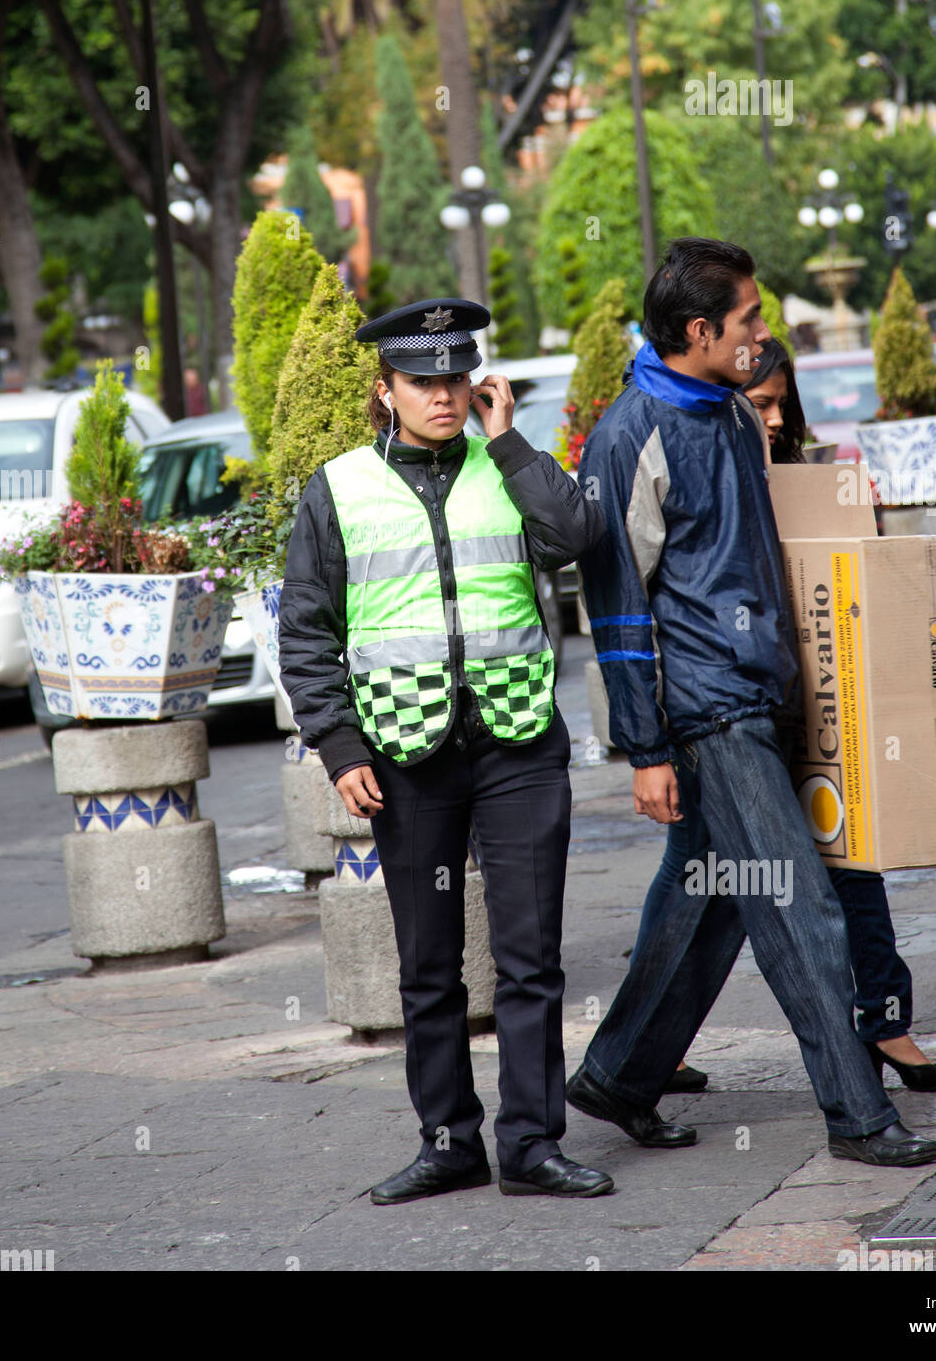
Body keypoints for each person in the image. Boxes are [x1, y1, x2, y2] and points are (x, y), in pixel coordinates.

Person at [565, 238, 936, 1167]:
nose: (764, 335)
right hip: (705, 716)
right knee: (800, 908)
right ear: (700, 331)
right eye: (750, 321)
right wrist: (646, 749)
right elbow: (614, 606)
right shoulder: (627, 435)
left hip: (760, 696)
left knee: (715, 899)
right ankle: (858, 1115)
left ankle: (617, 1075)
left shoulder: (734, 413)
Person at [278, 297, 635, 1202]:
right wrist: (337, 743)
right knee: (428, 966)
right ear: (385, 391)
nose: (442, 396)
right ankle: (448, 1142)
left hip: (517, 740)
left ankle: (531, 1145)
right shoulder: (339, 488)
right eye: (422, 382)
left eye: (455, 379)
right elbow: (308, 633)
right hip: (404, 753)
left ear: (478, 384)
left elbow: (580, 535)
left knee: (531, 955)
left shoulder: (505, 469)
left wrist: (511, 442)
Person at [634, 338, 936, 1095]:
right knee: (700, 876)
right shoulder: (695, 475)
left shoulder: (815, 481)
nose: (776, 419)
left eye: (784, 402)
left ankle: (885, 1023)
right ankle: (652, 1045)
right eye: (760, 403)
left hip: (821, 703)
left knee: (850, 855)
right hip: (719, 713)